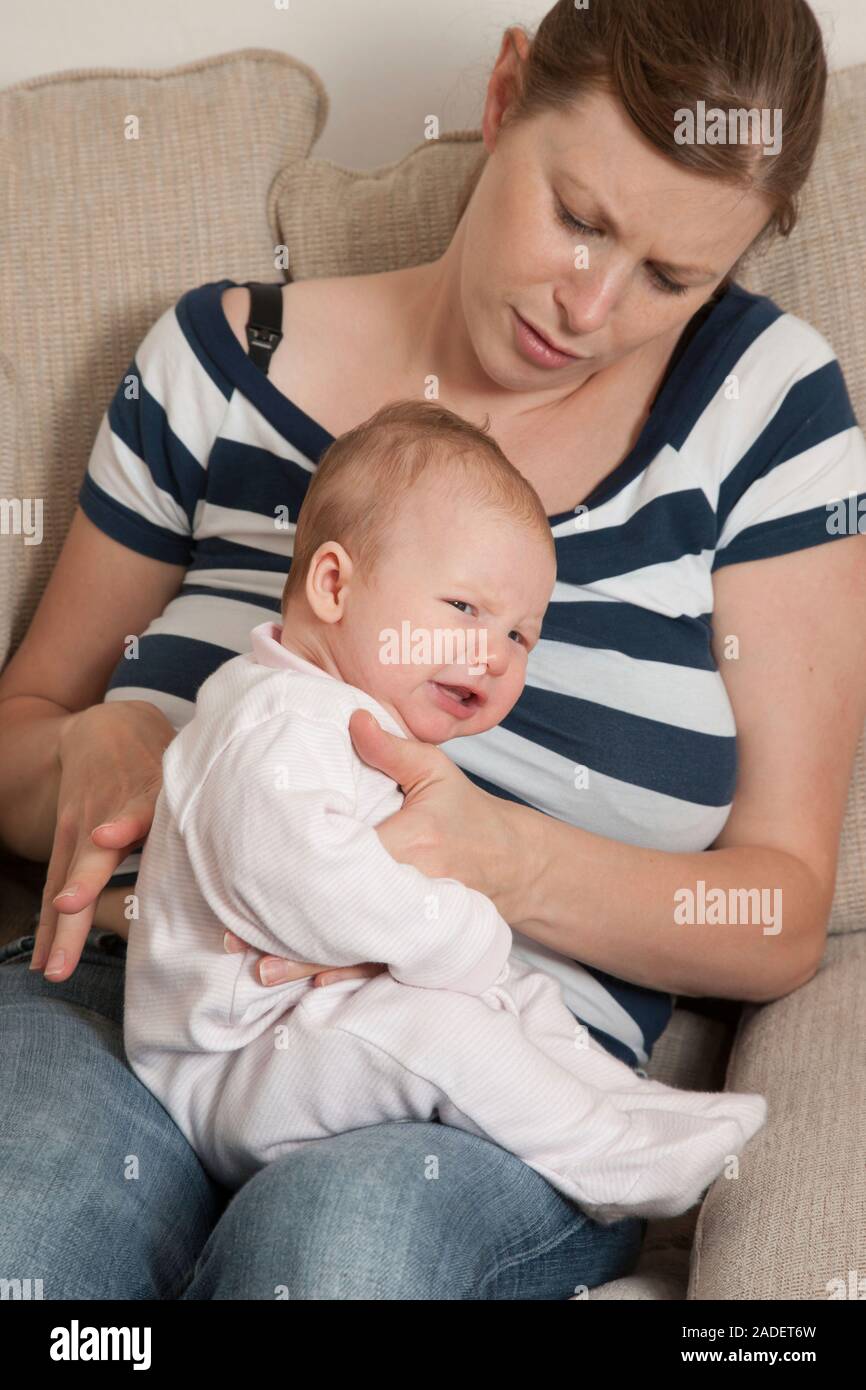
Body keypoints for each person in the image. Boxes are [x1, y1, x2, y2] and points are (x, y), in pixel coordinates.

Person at [1, 0, 864, 1299]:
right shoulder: (214, 364)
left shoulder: (766, 416)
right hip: (134, 995)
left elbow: (778, 908)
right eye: (578, 216)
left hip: (482, 1061)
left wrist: (488, 863)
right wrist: (102, 745)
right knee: (27, 1234)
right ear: (505, 91)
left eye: (670, 278)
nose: (590, 305)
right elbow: (22, 730)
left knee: (340, 1257)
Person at [123, 398, 767, 1222]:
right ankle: (611, 1161)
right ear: (333, 584)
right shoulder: (274, 722)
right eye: (463, 609)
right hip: (232, 1062)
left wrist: (467, 956)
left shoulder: (334, 711)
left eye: (520, 636)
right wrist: (463, 932)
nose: (491, 655)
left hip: (311, 1021)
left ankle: (634, 1107)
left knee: (520, 995)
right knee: (446, 1030)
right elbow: (317, 885)